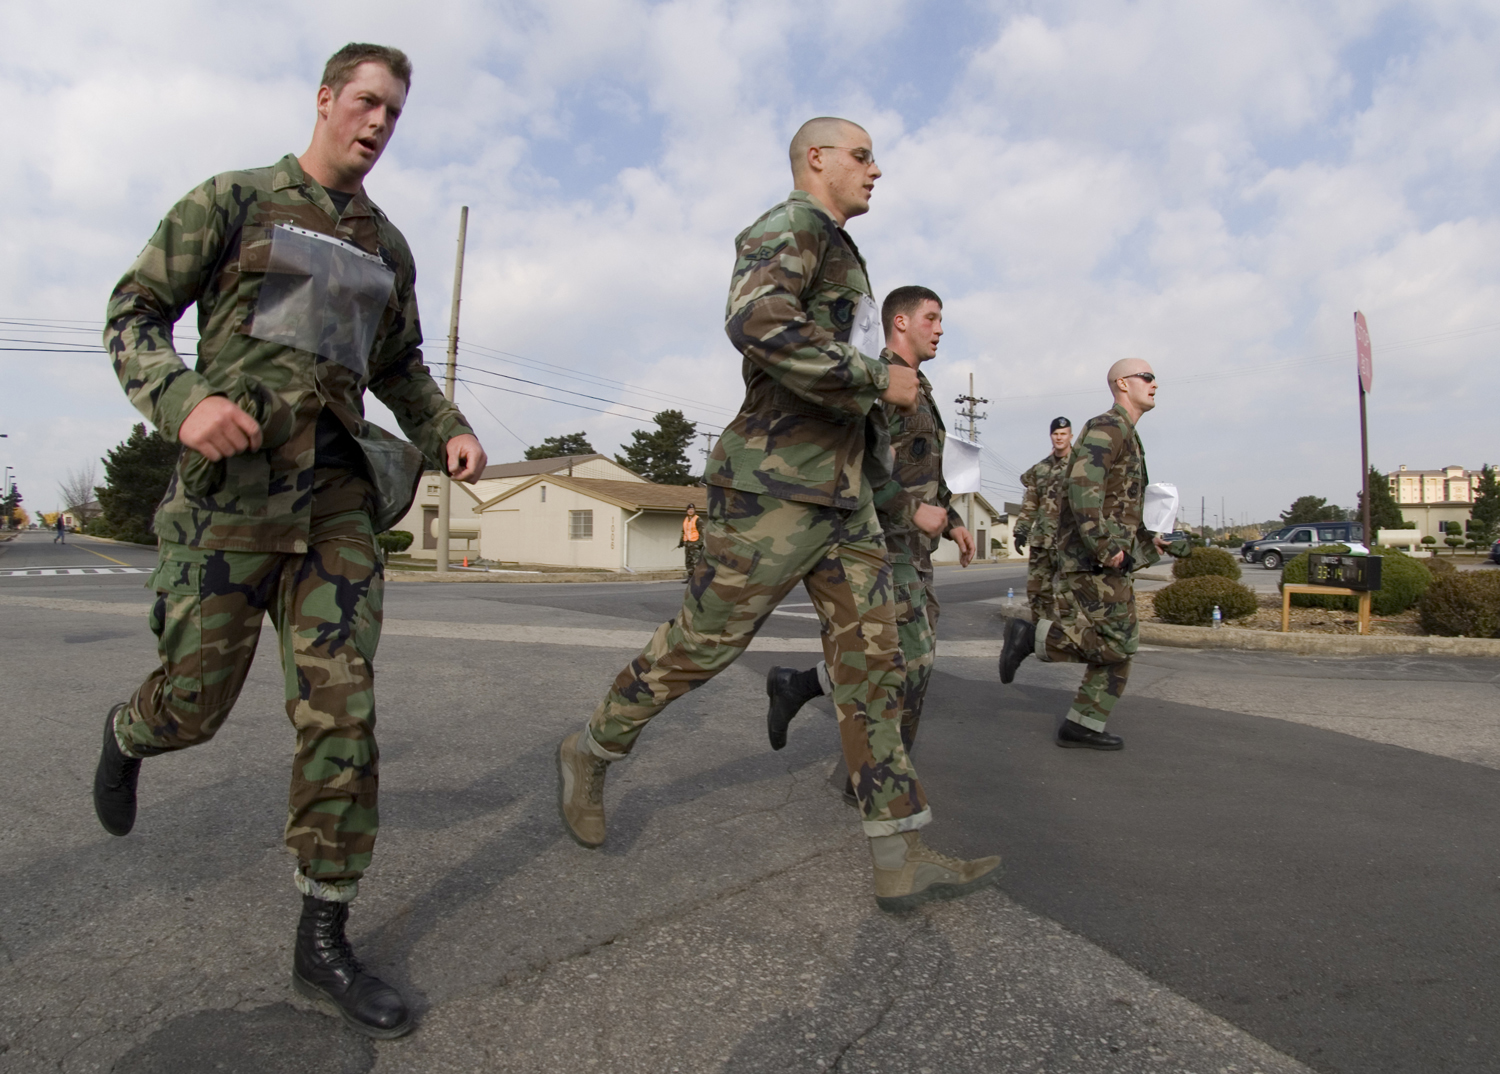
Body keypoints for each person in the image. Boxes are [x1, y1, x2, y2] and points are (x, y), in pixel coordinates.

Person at [91, 43, 488, 1038]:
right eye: (365, 102)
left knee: (342, 716)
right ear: (324, 100)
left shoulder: (386, 248)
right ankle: (132, 732)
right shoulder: (231, 200)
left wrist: (448, 430)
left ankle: (323, 934)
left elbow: (400, 367)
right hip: (232, 502)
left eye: (394, 112)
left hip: (336, 515)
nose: (378, 123)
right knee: (194, 705)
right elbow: (132, 313)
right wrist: (183, 402)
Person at [556, 117, 1001, 912]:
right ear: (817, 160)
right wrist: (873, 377)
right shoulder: (791, 223)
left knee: (877, 664)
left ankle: (898, 853)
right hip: (773, 488)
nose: (877, 169)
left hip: (845, 500)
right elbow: (756, 320)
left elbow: (854, 409)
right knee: (703, 647)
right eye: (863, 156)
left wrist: (895, 492)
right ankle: (590, 750)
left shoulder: (842, 252)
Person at [763, 285, 975, 790]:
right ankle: (881, 782)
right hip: (877, 546)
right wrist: (909, 508)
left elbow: (928, 466)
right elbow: (853, 465)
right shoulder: (875, 384)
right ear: (900, 323)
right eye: (932, 317)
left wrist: (954, 518)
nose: (940, 328)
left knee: (888, 661)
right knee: (913, 662)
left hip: (915, 550)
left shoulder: (921, 388)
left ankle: (796, 687)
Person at [997, 359, 1187, 750]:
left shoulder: (1127, 435)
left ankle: (1083, 723)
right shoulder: (1107, 427)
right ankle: (1032, 637)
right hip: (1093, 558)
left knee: (1121, 644)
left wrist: (1151, 541)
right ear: (1122, 383)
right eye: (1147, 377)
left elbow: (1120, 507)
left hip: (1110, 556)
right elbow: (1083, 490)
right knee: (1119, 643)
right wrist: (1106, 549)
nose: (1154, 384)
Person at [1012, 418, 1072, 621]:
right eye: (1056, 434)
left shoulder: (1081, 466)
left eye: (1063, 434)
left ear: (1071, 437)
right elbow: (1030, 501)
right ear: (1051, 436)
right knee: (1037, 594)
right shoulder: (1041, 469)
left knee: (1068, 597)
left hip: (1069, 542)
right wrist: (1021, 530)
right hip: (1042, 542)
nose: (1059, 437)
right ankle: (1043, 639)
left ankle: (1067, 642)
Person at [679, 503, 703, 576]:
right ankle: (690, 577)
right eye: (689, 509)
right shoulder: (686, 519)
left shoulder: (697, 519)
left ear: (694, 510)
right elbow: (683, 531)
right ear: (687, 511)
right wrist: (681, 541)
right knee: (688, 562)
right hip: (687, 544)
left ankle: (698, 578)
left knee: (696, 561)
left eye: (692, 509)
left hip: (695, 544)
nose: (690, 511)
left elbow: (702, 532)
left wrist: (700, 543)